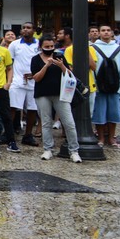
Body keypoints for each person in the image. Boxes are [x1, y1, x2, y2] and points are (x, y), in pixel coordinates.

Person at [31, 34, 80, 163]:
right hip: (42, 94)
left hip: (61, 94)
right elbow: (36, 78)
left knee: (69, 122)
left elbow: (69, 74)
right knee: (46, 122)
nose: (50, 48)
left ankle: (74, 151)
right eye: (47, 46)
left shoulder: (59, 56)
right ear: (41, 47)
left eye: (52, 46)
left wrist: (61, 65)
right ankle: (48, 149)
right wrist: (46, 65)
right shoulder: (35, 59)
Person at [91, 24, 120, 148]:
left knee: (114, 113)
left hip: (115, 86)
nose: (105, 32)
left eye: (108, 30)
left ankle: (112, 138)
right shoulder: (93, 48)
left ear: (112, 33)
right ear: (99, 33)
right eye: (103, 30)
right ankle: (101, 138)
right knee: (99, 113)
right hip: (98, 86)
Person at [8, 22, 40, 146]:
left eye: (29, 28)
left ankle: (28, 135)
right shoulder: (14, 44)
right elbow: (9, 64)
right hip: (17, 81)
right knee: (12, 107)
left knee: (32, 109)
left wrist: (34, 73)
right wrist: (9, 80)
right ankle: (8, 134)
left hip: (34, 81)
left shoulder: (39, 44)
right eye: (24, 28)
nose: (26, 30)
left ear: (34, 30)